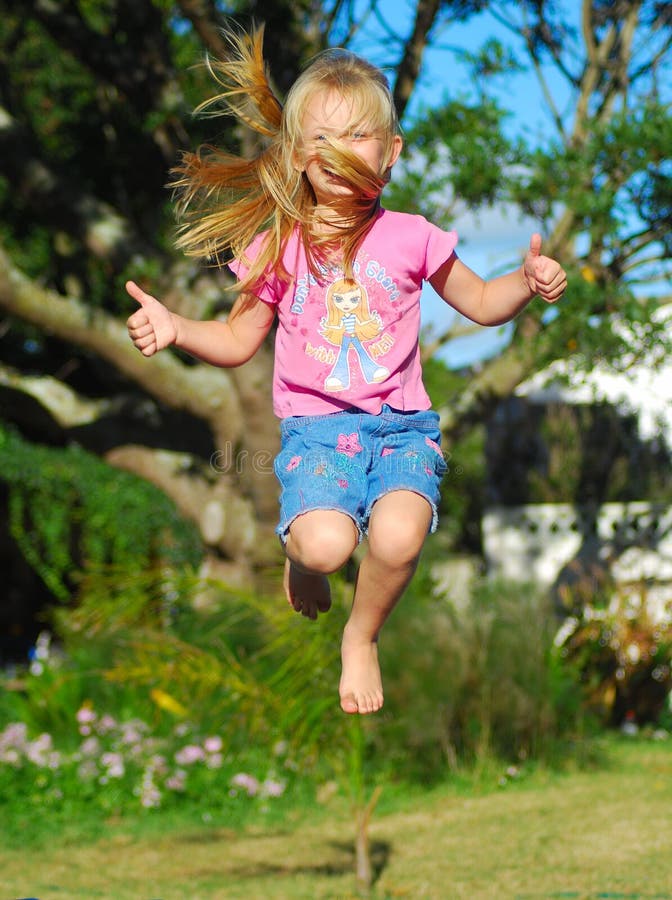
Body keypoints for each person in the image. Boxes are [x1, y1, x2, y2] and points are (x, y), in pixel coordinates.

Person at [126, 25, 567, 715]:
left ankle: (360, 639)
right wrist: (177, 327)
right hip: (318, 437)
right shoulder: (279, 245)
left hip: (403, 431)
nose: (339, 152)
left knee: (398, 535)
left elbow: (481, 303)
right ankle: (301, 557)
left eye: (359, 135)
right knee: (328, 546)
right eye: (323, 138)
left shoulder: (413, 236)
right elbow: (241, 338)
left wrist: (525, 280)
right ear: (298, 155)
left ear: (390, 152)